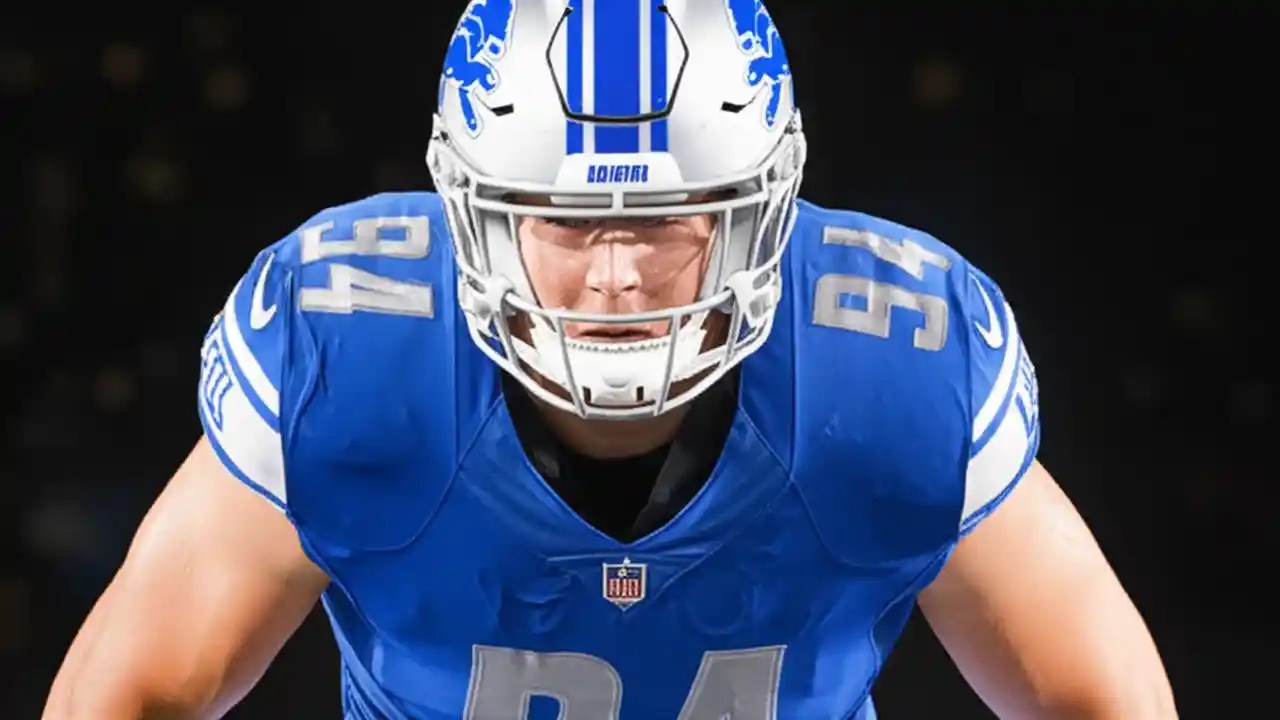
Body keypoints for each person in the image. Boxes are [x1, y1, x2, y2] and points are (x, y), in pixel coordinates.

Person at [43, 1, 1176, 718]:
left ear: (760, 212)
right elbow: (133, 692)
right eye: (567, 223)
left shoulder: (890, 369)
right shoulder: (349, 347)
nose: (619, 276)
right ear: (474, 213)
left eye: (670, 221)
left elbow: (1095, 696)